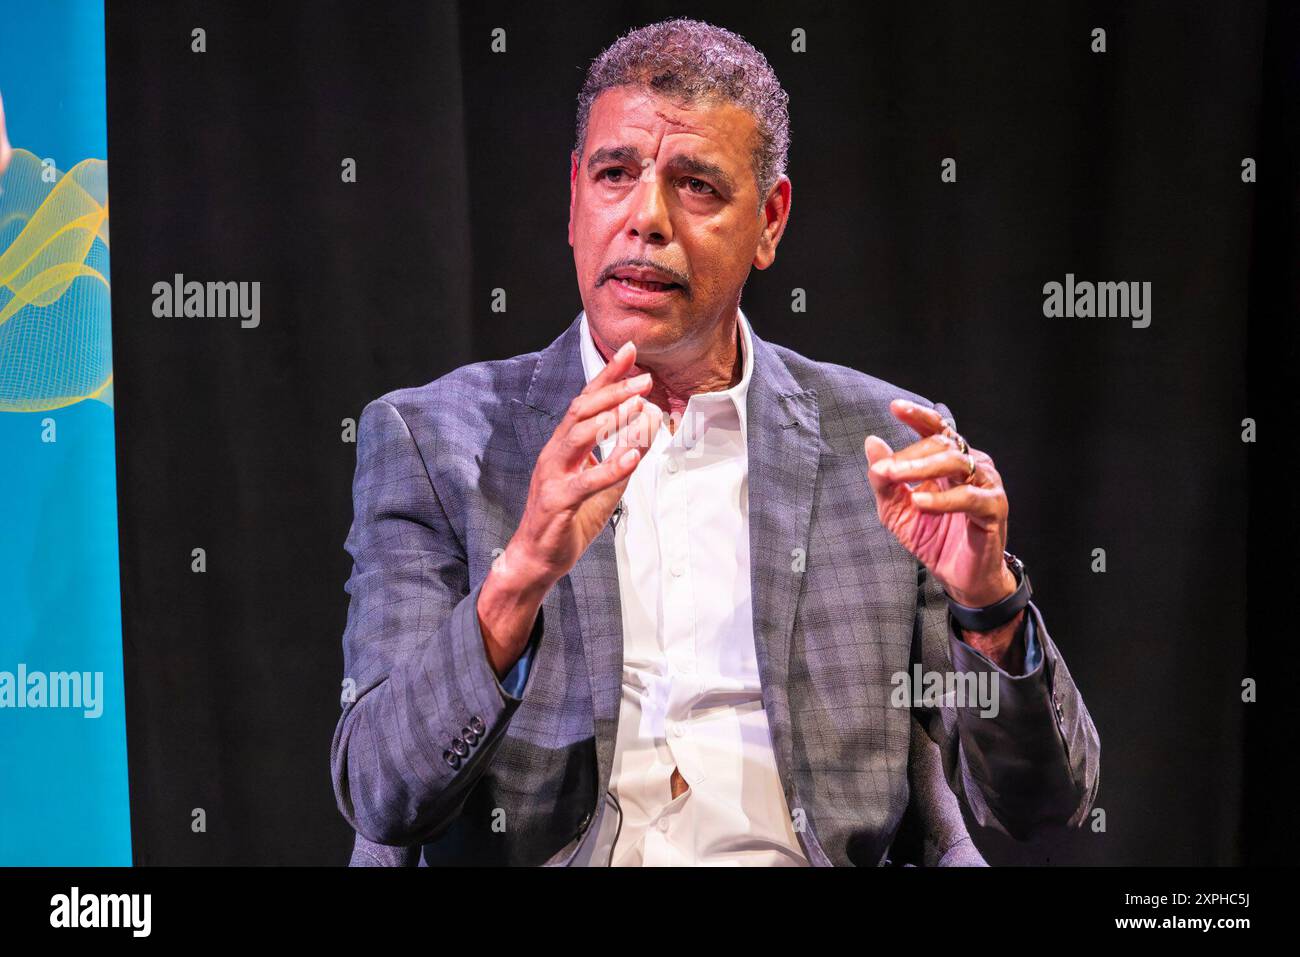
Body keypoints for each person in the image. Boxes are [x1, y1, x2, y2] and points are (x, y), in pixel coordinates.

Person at [330, 17, 1099, 866]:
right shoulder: (438, 442)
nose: (646, 219)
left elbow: (1041, 805)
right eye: (615, 174)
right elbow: (379, 791)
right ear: (575, 202)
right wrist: (515, 582)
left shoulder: (881, 445)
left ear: (769, 221)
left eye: (696, 185)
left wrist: (987, 604)